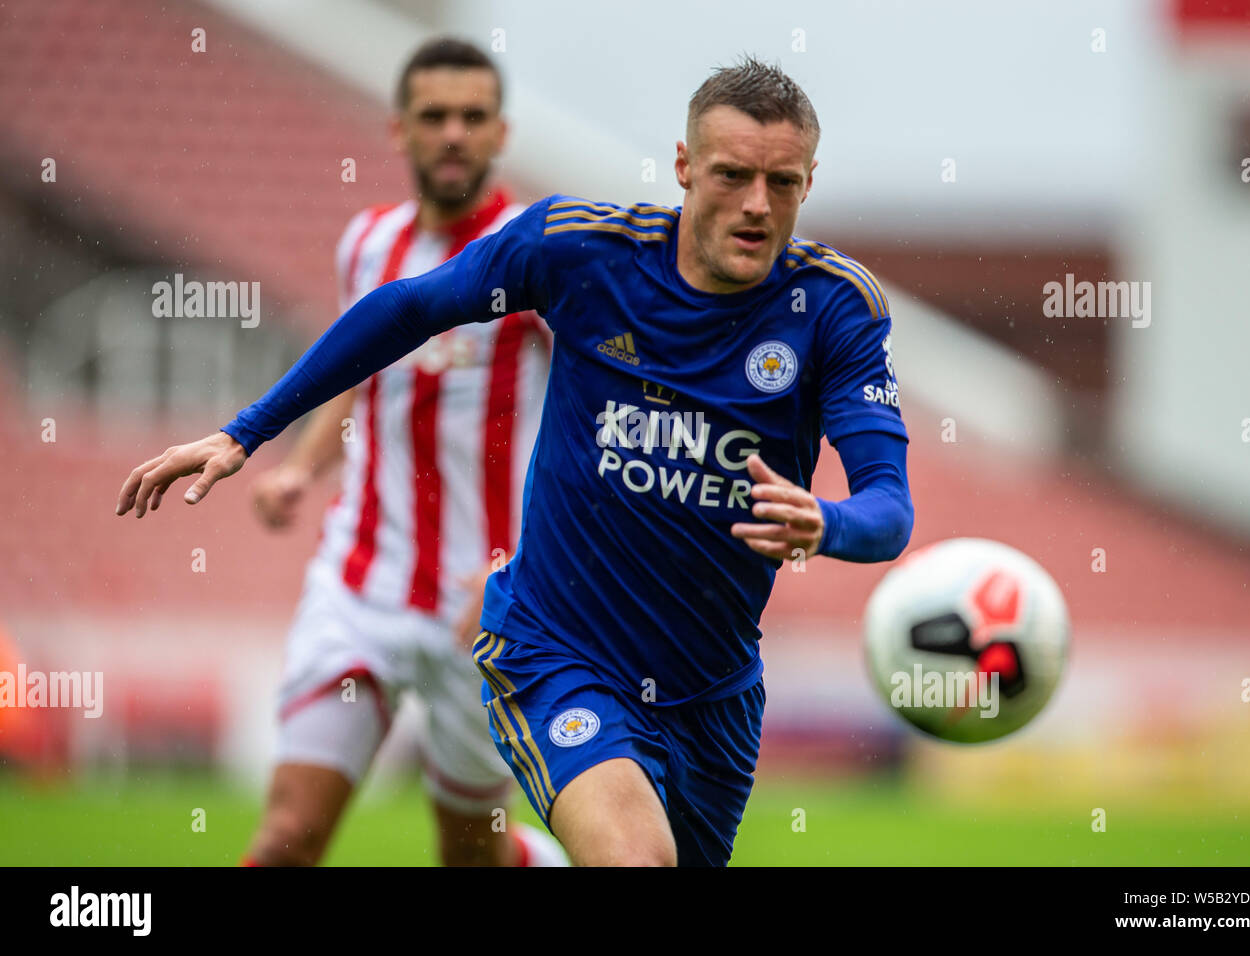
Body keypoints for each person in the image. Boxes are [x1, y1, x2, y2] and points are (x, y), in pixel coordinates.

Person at [117, 55, 914, 867]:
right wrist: (244, 433)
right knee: (632, 860)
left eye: (782, 183)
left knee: (492, 854)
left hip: (714, 690)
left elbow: (888, 508)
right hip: (556, 649)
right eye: (732, 174)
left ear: (809, 183)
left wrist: (829, 523)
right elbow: (412, 306)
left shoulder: (835, 310)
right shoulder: (582, 254)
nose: (756, 205)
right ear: (682, 166)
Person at [238, 37, 561, 866]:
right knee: (287, 838)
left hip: (479, 602)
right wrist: (302, 470)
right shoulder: (367, 243)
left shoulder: (538, 251)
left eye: (472, 117)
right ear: (399, 132)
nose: (453, 133)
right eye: (434, 116)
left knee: (469, 857)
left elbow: (588, 413)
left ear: (501, 133)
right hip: (362, 583)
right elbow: (353, 367)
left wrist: (525, 564)